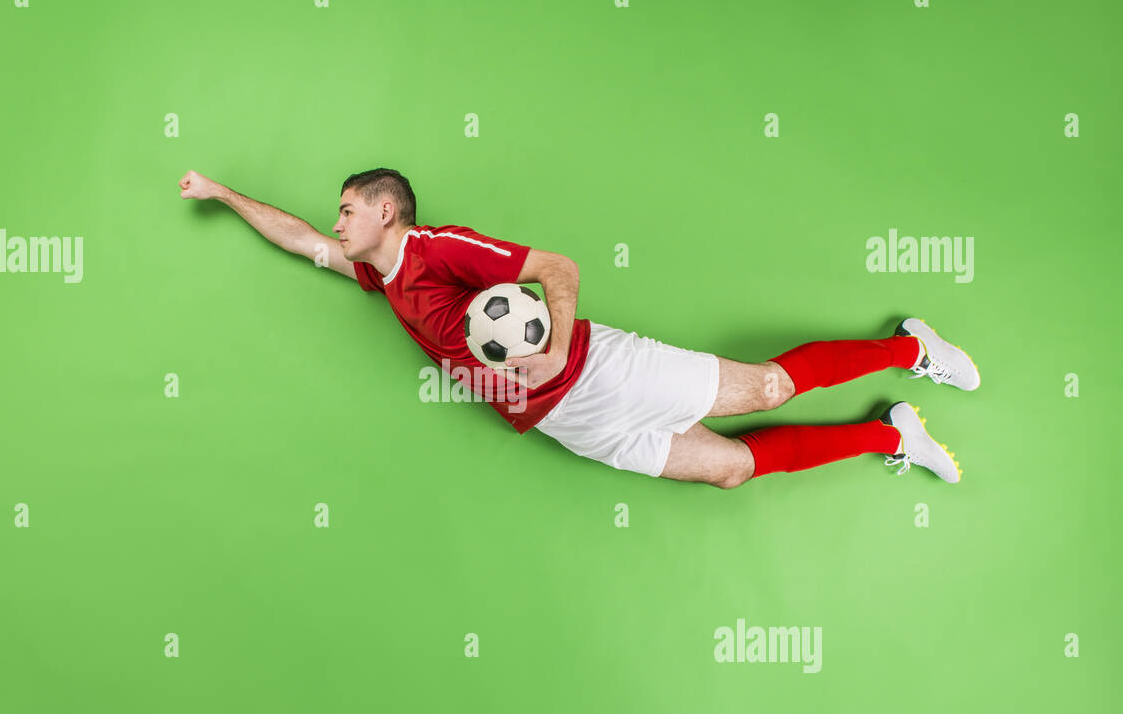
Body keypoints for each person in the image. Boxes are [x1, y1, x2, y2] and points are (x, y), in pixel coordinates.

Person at [178, 166, 980, 488]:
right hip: (565, 420)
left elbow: (556, 268)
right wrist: (220, 191)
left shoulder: (436, 249)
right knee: (732, 469)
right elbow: (298, 238)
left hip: (601, 371)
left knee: (766, 386)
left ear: (386, 211)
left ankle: (913, 348)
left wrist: (557, 344)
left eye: (348, 210)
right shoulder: (374, 274)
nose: (338, 223)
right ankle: (892, 436)